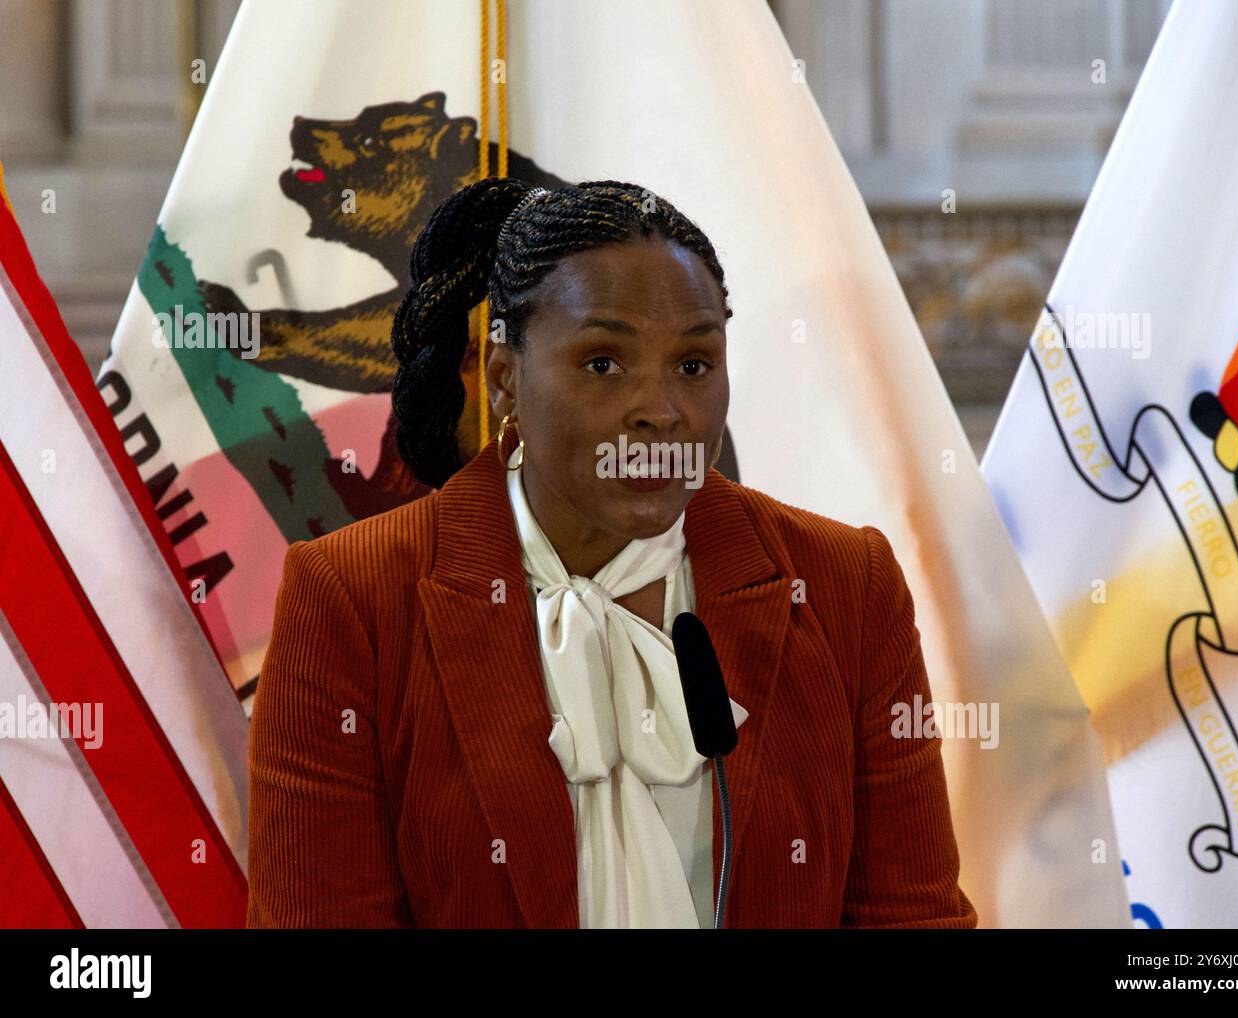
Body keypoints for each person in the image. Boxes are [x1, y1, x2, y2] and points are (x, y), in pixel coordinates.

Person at [246, 176, 978, 929]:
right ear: (505, 381)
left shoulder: (841, 586)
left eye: (693, 365)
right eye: (603, 364)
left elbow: (911, 915)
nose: (660, 410)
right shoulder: (350, 598)